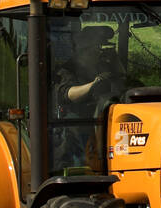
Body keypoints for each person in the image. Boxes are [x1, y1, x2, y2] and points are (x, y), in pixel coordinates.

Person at [52, 25, 124, 168]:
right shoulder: (67, 70)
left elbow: (122, 80)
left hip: (104, 123)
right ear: (82, 49)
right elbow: (68, 94)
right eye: (94, 47)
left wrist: (115, 60)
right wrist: (94, 83)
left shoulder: (103, 65)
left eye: (99, 47)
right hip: (77, 126)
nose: (98, 51)